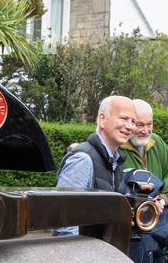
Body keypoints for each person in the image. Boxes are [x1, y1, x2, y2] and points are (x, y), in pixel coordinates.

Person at [55, 95, 136, 240]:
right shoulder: (83, 160)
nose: (130, 126)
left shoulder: (116, 164)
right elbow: (64, 222)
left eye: (133, 121)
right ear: (102, 119)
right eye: (124, 118)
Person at [120, 99, 168, 263]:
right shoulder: (118, 146)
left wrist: (163, 199)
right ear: (130, 122)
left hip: (156, 227)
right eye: (140, 124)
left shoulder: (157, 142)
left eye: (150, 124)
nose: (146, 130)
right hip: (132, 232)